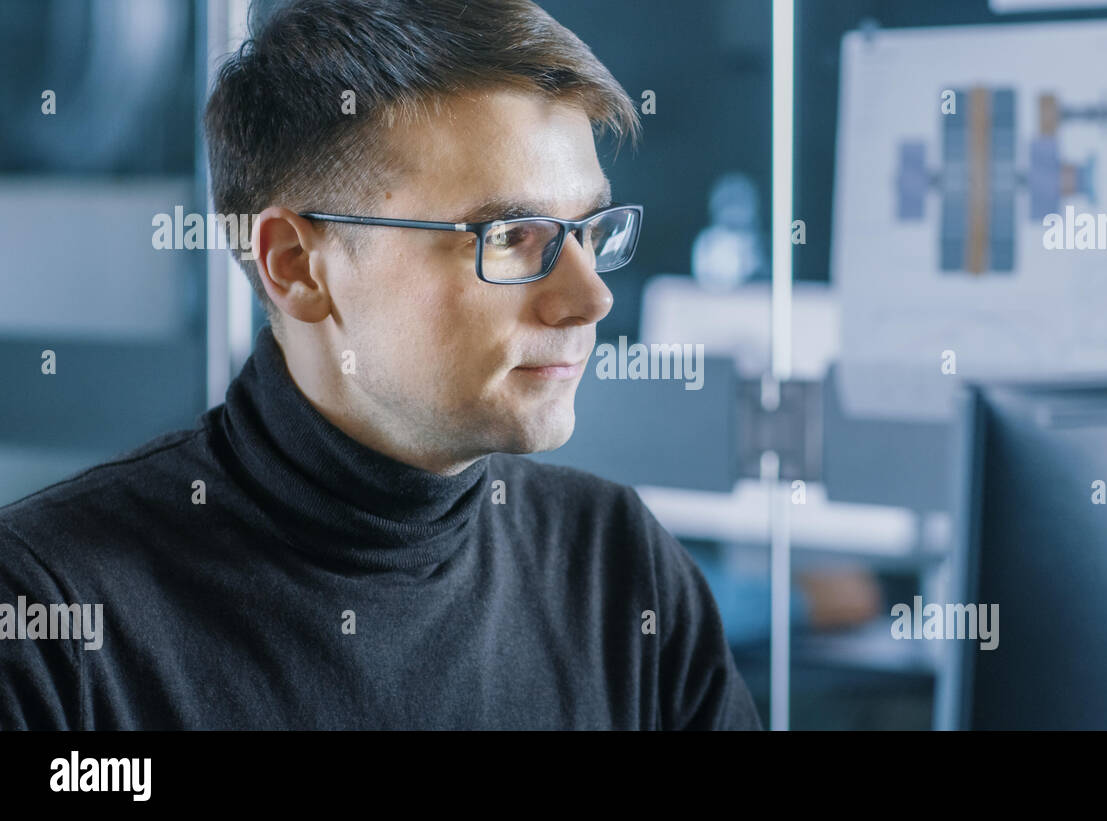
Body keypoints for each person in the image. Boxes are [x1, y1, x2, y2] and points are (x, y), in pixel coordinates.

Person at [0, 0, 762, 730]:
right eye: (508, 234)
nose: (590, 297)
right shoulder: (49, 619)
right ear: (297, 264)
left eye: (589, 229)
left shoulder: (620, 568)